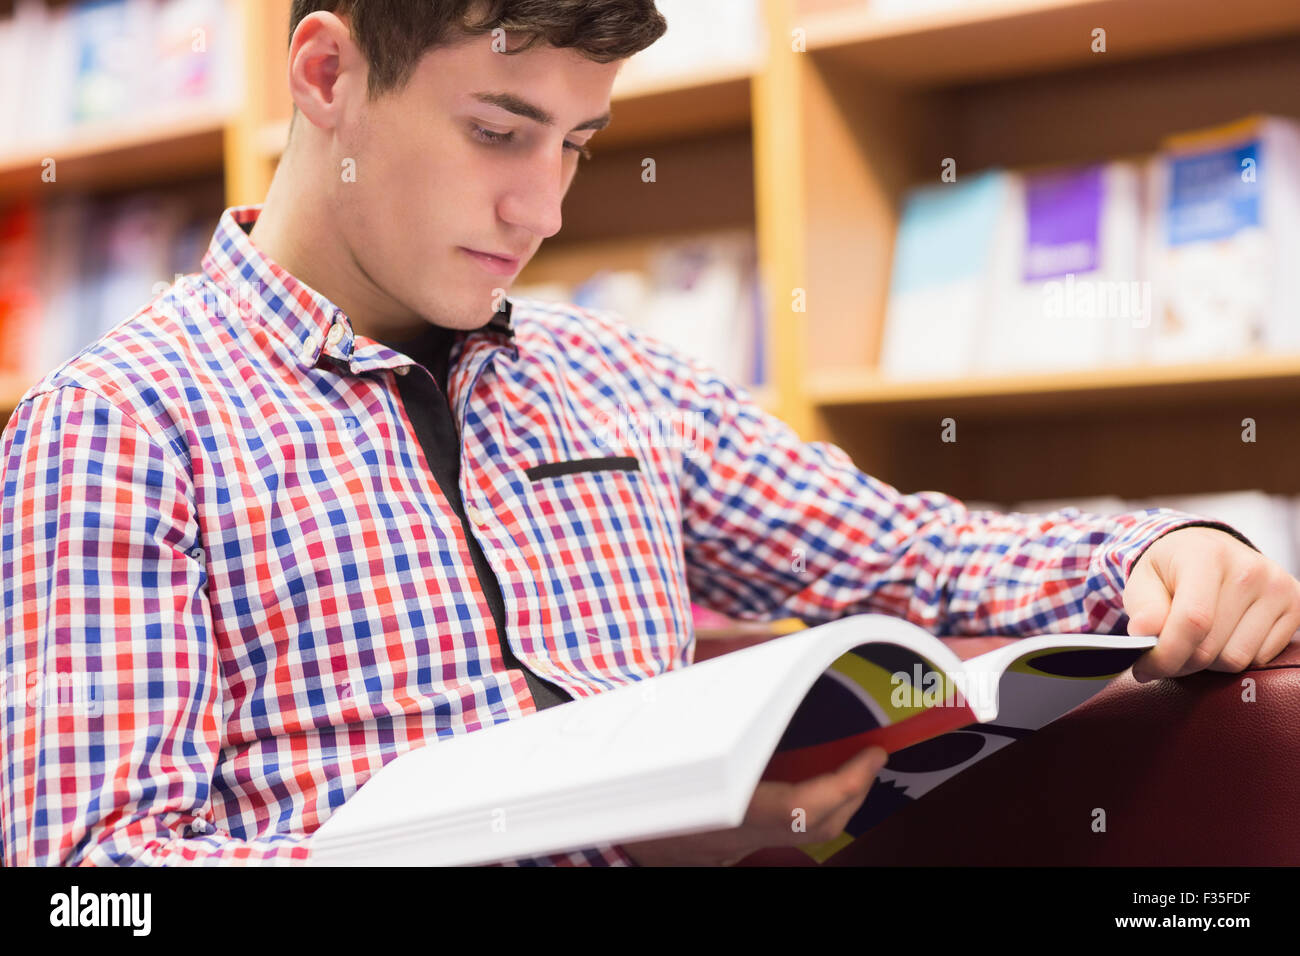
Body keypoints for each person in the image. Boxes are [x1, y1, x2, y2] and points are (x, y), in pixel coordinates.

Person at [2, 0, 1297, 868]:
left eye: (580, 143)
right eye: (498, 131)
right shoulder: (120, 427)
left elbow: (915, 555)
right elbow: (87, 881)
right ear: (329, 75)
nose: (544, 207)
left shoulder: (617, 379)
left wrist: (1161, 559)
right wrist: (586, 835)